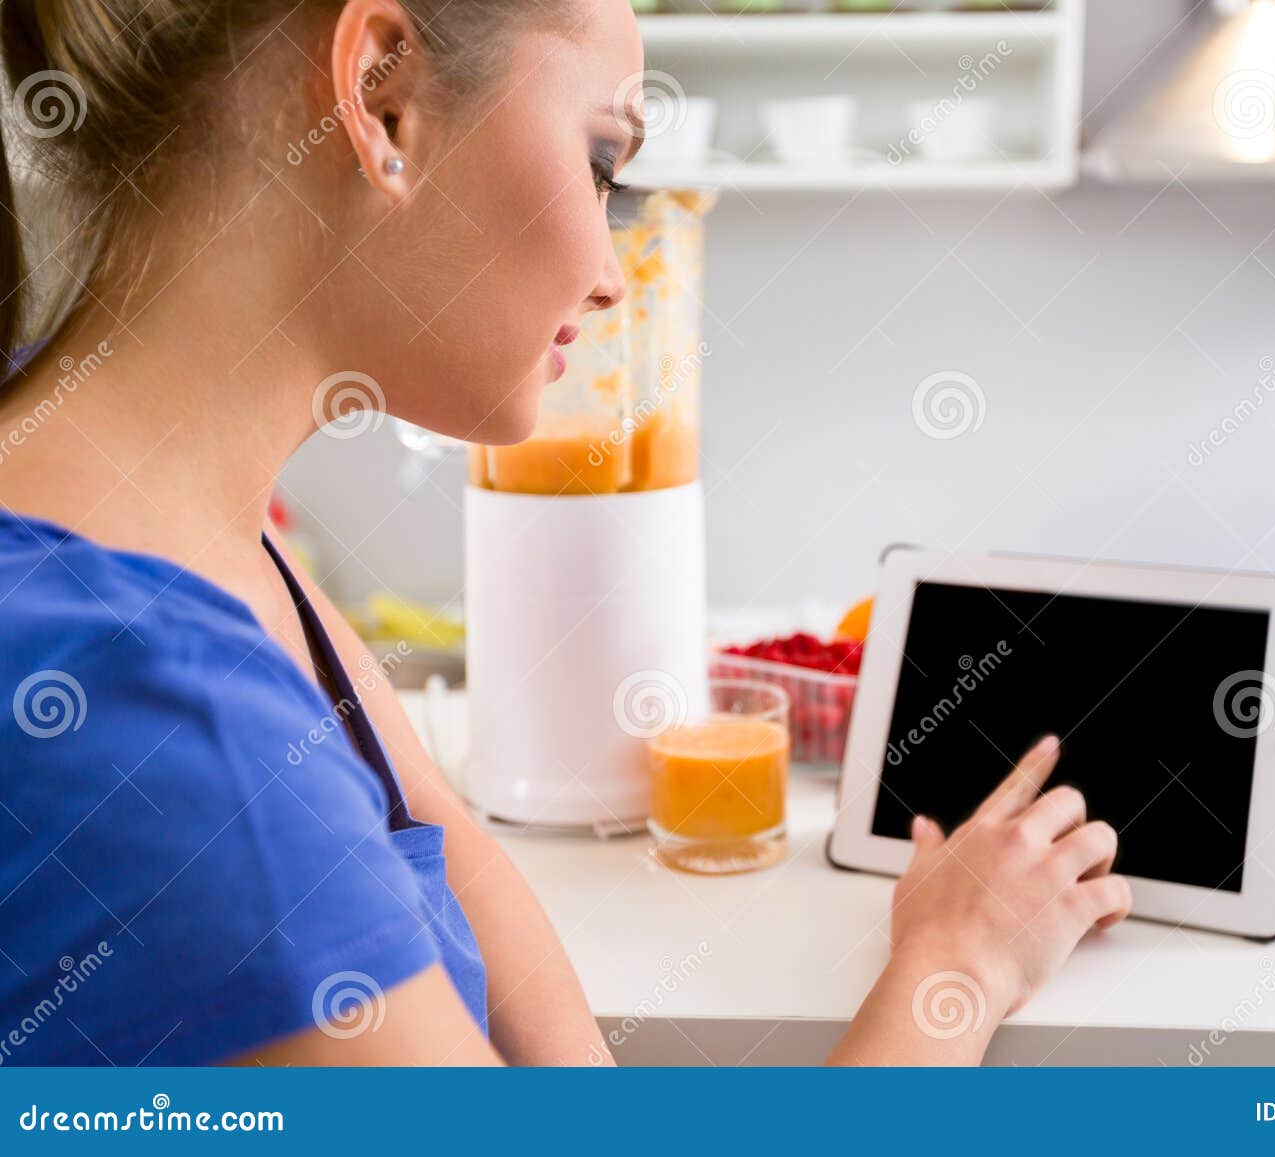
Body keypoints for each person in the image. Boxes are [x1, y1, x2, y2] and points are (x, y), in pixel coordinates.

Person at [0, 0, 1130, 1066]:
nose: (607, 274)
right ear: (383, 102)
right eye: (599, 165)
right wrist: (956, 967)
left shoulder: (190, 530)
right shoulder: (165, 719)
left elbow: (440, 833)